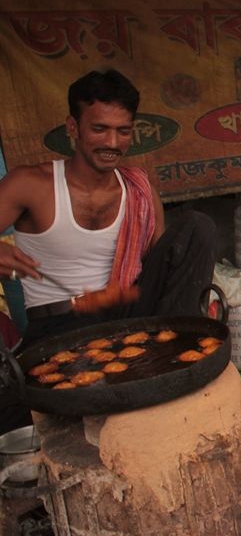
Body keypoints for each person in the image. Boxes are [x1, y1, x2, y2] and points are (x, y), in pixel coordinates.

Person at [0, 69, 217, 346]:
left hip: (128, 313)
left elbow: (163, 274)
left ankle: (179, 343)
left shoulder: (140, 191)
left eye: (123, 131)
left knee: (198, 226)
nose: (112, 143)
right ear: (73, 127)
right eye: (99, 129)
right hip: (60, 323)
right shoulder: (31, 184)